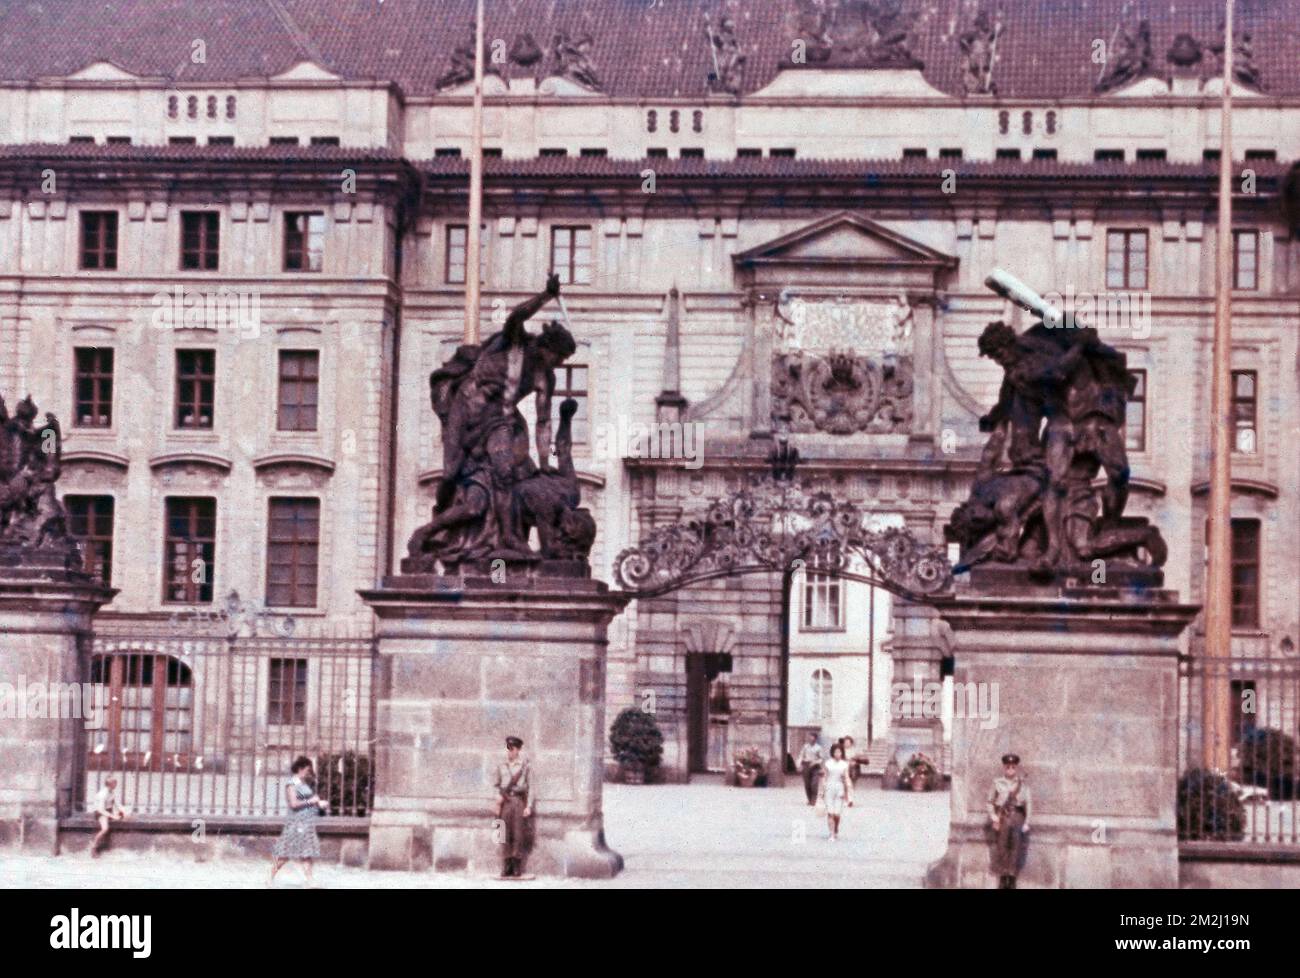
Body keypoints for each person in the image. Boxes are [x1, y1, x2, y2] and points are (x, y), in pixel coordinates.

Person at [268, 756, 328, 887]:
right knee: (286, 854)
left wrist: (318, 803)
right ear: (300, 769)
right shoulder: (292, 783)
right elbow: (294, 804)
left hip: (306, 823)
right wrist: (311, 801)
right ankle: (270, 877)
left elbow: (308, 802)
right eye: (307, 770)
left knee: (306, 852)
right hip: (296, 823)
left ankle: (310, 880)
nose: (308, 772)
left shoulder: (302, 783)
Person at [987, 752, 1032, 889]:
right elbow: (990, 801)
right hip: (1003, 817)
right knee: (1001, 847)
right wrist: (993, 816)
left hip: (1018, 816)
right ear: (1004, 768)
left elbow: (1028, 803)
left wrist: (1027, 822)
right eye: (1008, 767)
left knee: (1015, 847)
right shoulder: (997, 783)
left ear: (1016, 768)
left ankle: (1011, 877)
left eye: (1013, 767)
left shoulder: (1022, 784)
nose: (1010, 769)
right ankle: (1003, 875)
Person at [495, 736, 534, 878]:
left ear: (518, 750)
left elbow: (531, 788)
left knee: (518, 834)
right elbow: (496, 785)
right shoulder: (501, 766)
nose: (510, 752)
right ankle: (506, 864)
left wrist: (528, 806)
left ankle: (516, 864)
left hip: (518, 802)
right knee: (504, 833)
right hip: (505, 802)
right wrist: (497, 800)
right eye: (508, 749)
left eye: (513, 749)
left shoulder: (524, 767)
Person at [819, 743, 853, 840]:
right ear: (832, 753)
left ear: (842, 753)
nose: (838, 754)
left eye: (839, 752)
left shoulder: (844, 764)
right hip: (829, 788)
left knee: (837, 814)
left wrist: (849, 789)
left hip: (840, 788)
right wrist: (821, 790)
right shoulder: (827, 763)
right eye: (836, 752)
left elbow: (847, 777)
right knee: (830, 812)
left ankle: (836, 827)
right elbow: (824, 777)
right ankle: (831, 833)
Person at [89, 777, 127, 857]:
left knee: (124, 817)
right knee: (105, 828)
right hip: (100, 813)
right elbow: (101, 810)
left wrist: (123, 811)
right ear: (111, 784)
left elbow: (116, 803)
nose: (116, 785)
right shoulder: (102, 794)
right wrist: (113, 816)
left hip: (108, 811)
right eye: (115, 783)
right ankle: (93, 846)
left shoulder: (111, 792)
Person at [797, 732, 824, 806]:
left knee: (814, 784)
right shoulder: (805, 746)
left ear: (815, 738)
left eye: (812, 737)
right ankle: (809, 799)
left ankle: (813, 801)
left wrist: (815, 762)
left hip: (815, 767)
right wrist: (799, 764)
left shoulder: (818, 748)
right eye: (809, 737)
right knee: (807, 784)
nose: (810, 739)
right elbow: (801, 755)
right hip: (806, 765)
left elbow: (821, 758)